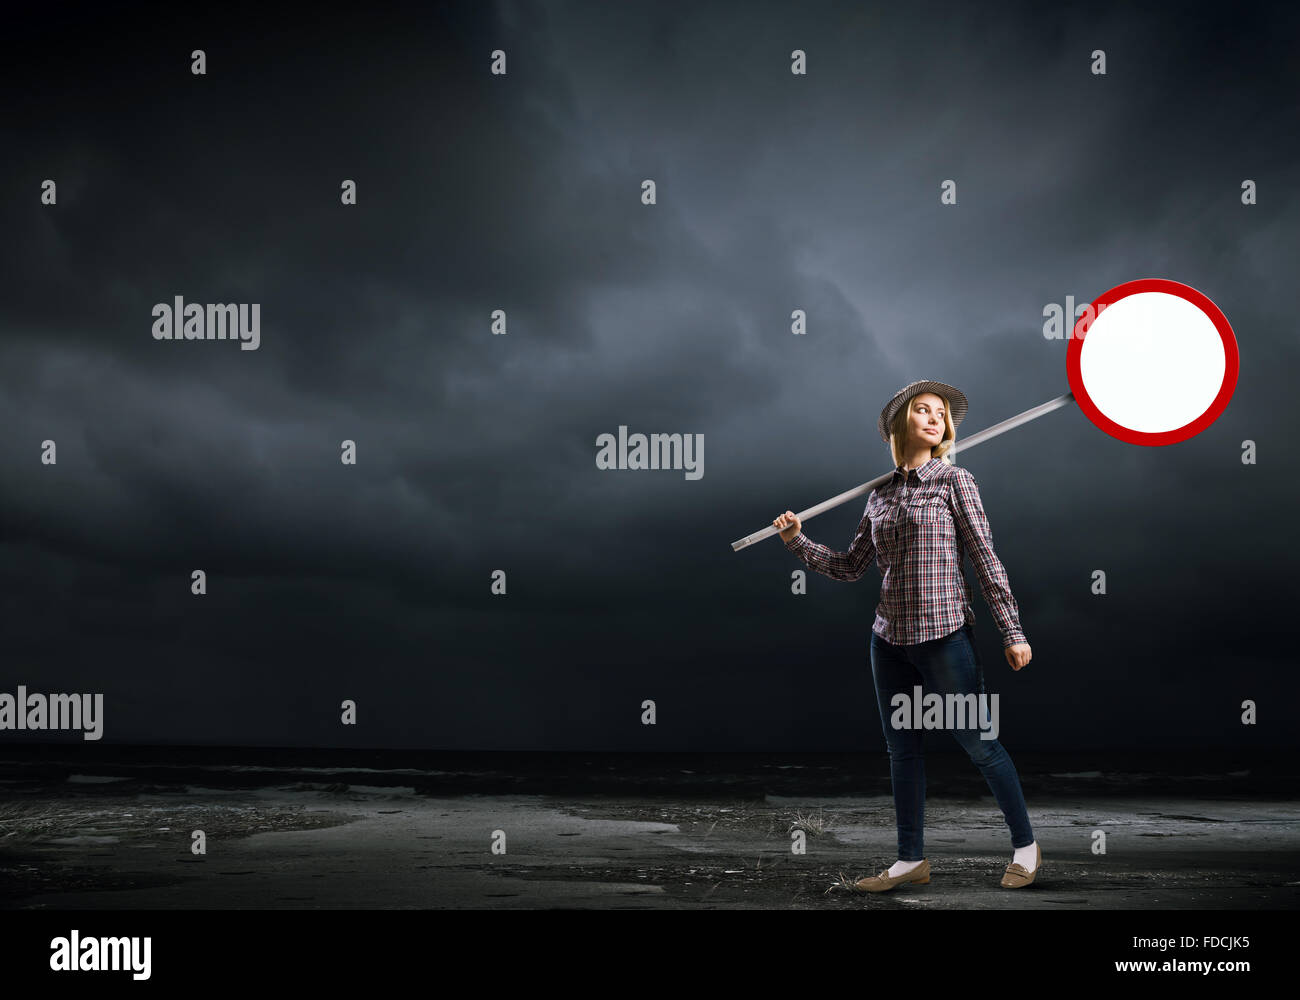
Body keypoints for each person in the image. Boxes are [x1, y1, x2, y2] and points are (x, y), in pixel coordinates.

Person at [773, 379, 1041, 891]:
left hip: (945, 638)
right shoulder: (878, 496)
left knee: (980, 743)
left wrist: (1012, 630)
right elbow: (851, 567)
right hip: (888, 642)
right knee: (903, 750)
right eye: (922, 410)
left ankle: (1026, 848)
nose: (935, 418)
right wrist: (796, 541)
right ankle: (909, 860)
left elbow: (985, 558)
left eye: (941, 412)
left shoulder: (955, 482)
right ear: (900, 424)